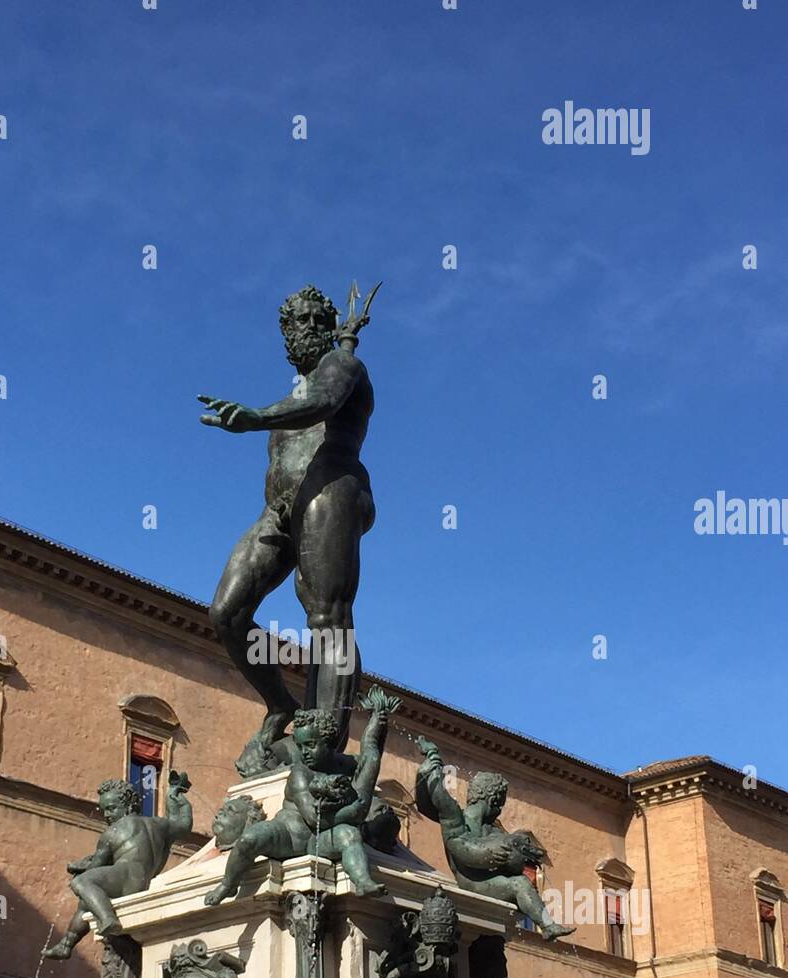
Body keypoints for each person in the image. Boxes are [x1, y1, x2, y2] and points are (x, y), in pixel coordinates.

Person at [199, 284, 377, 776]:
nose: (290, 338)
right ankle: (281, 704)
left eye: (299, 326)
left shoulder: (343, 368)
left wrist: (255, 417)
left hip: (330, 490)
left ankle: (323, 738)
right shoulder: (289, 397)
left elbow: (321, 404)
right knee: (227, 612)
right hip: (279, 511)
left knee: (327, 617)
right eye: (286, 328)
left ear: (322, 328)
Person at [204, 686, 401, 906]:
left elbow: (370, 757)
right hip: (289, 835)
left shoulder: (345, 765)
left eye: (310, 745)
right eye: (300, 746)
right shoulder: (300, 773)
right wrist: (353, 811)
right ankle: (228, 884)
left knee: (350, 836)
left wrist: (378, 721)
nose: (304, 752)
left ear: (328, 743)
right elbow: (312, 818)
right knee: (250, 839)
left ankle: (363, 881)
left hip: (319, 840)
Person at [415, 738, 574, 941]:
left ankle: (547, 925)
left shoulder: (494, 831)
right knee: (520, 884)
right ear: (493, 800)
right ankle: (547, 925)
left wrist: (518, 852)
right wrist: (431, 761)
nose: (499, 810)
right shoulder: (456, 818)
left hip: (487, 883)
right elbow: (437, 795)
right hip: (471, 883)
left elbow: (514, 866)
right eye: (500, 805)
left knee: (520, 882)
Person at [44, 770, 192, 959]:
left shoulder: (112, 832)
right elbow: (183, 824)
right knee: (86, 903)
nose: (106, 814)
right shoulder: (159, 825)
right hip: (143, 881)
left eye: (111, 808)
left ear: (129, 806)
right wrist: (174, 794)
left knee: (81, 883)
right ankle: (66, 944)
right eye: (104, 809)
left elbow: (95, 867)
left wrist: (80, 867)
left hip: (125, 879)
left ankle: (108, 918)